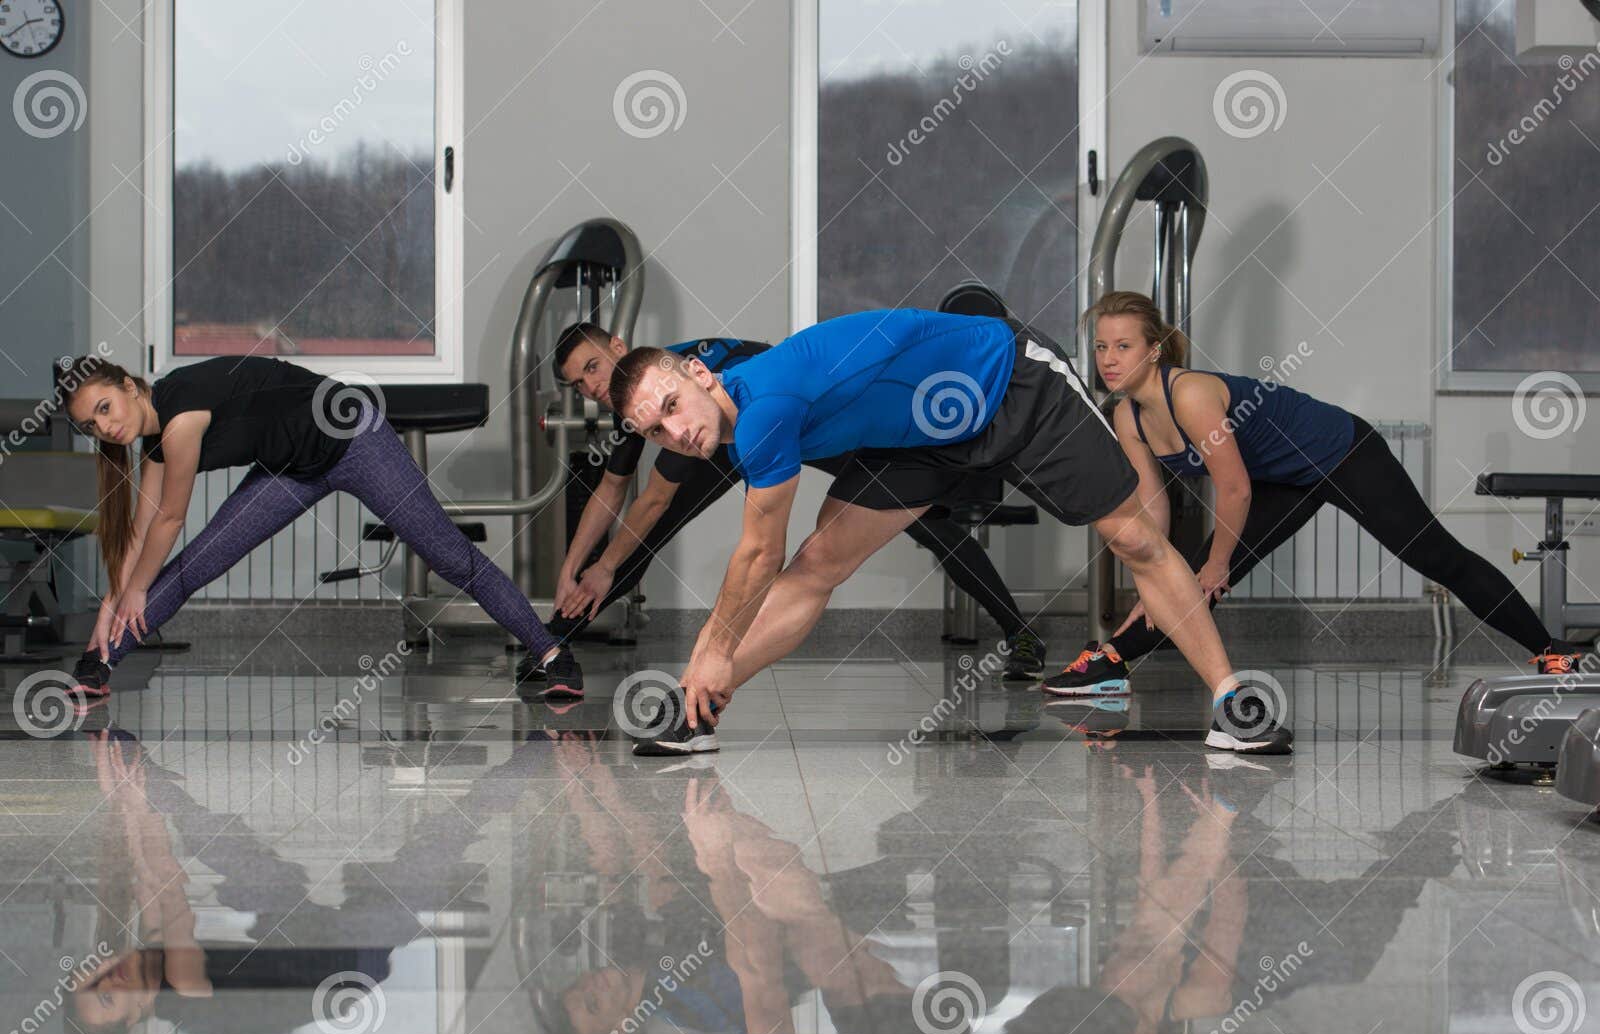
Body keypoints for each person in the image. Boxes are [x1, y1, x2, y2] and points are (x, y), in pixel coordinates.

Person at [609, 308, 1294, 757]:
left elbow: (759, 553)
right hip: (918, 443)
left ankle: (1233, 700)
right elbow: (777, 560)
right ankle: (698, 711)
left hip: (1012, 388)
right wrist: (711, 656)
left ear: (698, 374)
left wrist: (708, 643)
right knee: (821, 563)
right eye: (655, 431)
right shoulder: (738, 417)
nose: (676, 433)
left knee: (1135, 540)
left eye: (672, 405)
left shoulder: (763, 408)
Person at [1044, 291, 1587, 696]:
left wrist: (1214, 565)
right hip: (1282, 479)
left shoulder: (1188, 395)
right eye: (1100, 347)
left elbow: (1232, 487)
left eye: (1123, 345)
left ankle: (1552, 651)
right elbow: (1152, 507)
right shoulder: (1127, 416)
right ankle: (1112, 660)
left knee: (1436, 557)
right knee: (1182, 572)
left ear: (1155, 349)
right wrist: (1155, 574)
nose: (1108, 358)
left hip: (1343, 454)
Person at [56, 355, 581, 701]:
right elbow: (136, 532)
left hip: (356, 440)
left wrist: (136, 590)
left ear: (128, 385)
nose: (104, 427)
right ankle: (98, 669)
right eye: (91, 425)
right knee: (197, 565)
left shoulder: (180, 417)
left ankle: (554, 656)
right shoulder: (151, 445)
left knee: (446, 553)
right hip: (292, 470)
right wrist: (112, 601)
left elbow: (169, 518)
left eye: (105, 407)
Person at [541, 323, 1045, 680]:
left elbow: (651, 501)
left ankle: (1018, 631)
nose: (591, 386)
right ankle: (552, 643)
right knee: (642, 533)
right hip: (714, 437)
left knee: (920, 517)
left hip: (773, 422)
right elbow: (613, 488)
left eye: (592, 366)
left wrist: (603, 566)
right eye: (578, 383)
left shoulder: (671, 383)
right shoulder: (637, 407)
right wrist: (572, 568)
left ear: (619, 347)